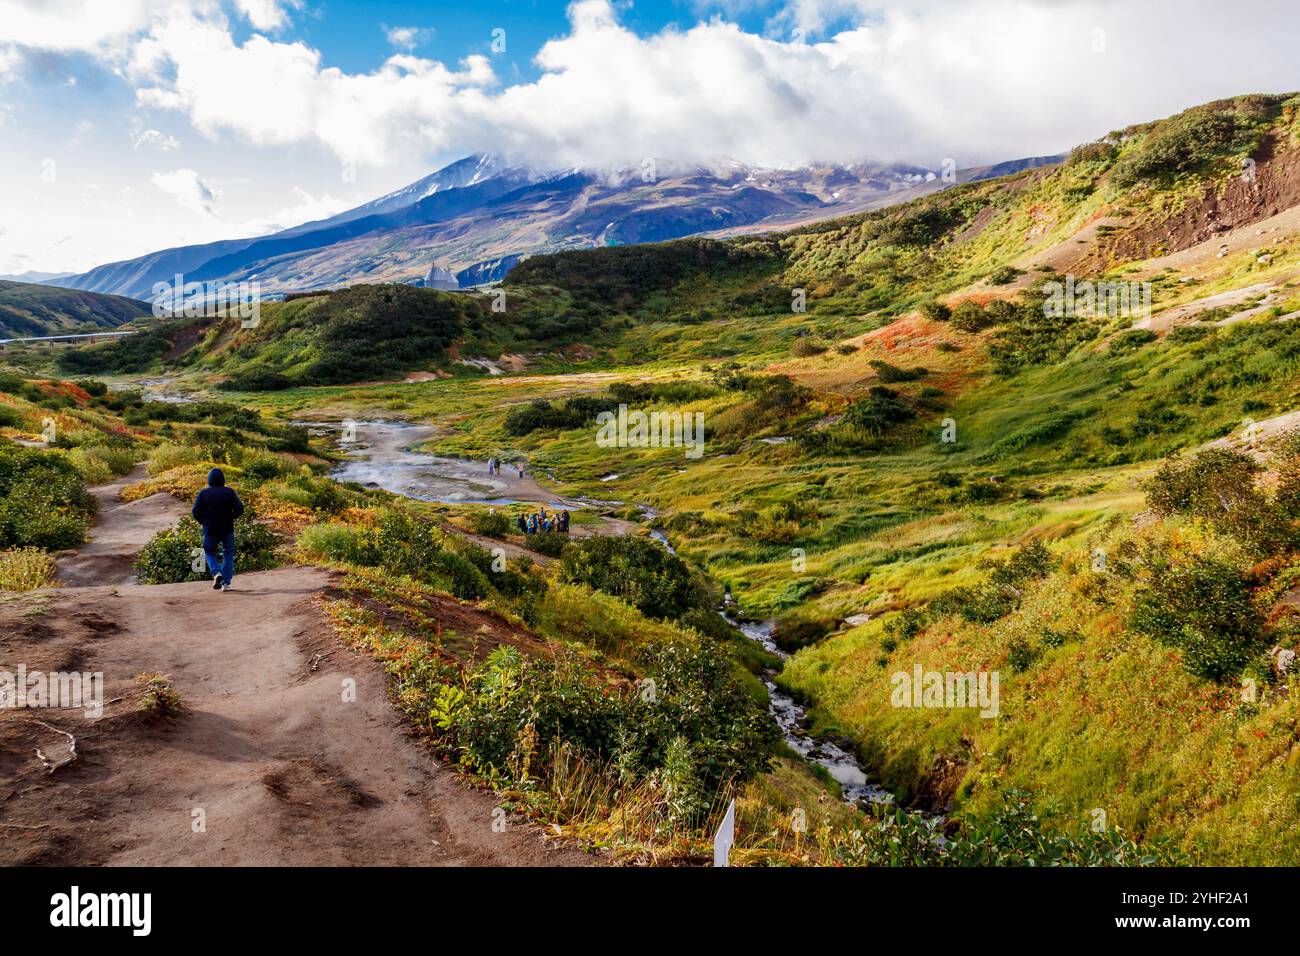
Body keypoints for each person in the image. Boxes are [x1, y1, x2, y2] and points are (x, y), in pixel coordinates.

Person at [191, 467, 244, 592]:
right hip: (227, 528)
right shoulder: (229, 492)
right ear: (223, 479)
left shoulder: (204, 493)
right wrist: (231, 517)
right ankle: (225, 583)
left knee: (209, 552)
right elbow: (240, 509)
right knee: (228, 554)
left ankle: (216, 573)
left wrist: (203, 521)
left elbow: (195, 511)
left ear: (209, 479)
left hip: (210, 529)